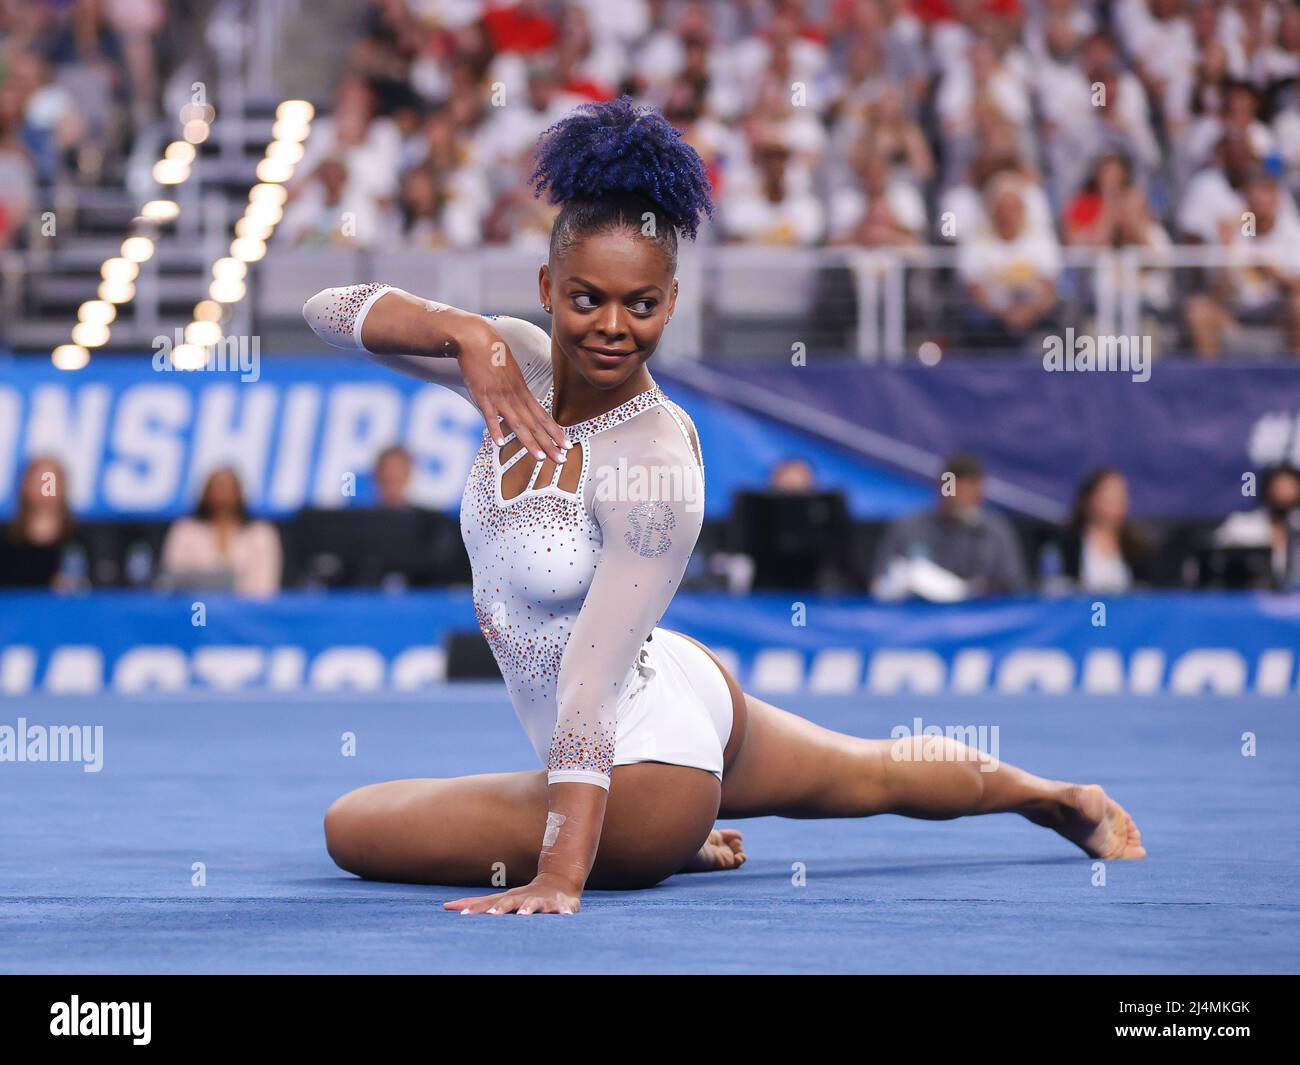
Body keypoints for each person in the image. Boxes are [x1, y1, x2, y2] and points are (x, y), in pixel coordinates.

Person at [305, 99, 1143, 918]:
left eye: (642, 304)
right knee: (868, 771)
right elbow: (328, 314)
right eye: (585, 297)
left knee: (352, 826)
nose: (612, 326)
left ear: (671, 300)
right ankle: (1057, 796)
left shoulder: (658, 463)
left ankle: (672, 832)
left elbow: (588, 692)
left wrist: (562, 873)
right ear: (546, 286)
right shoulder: (510, 362)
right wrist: (463, 331)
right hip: (676, 684)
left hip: (638, 777)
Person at [871, 452, 1031, 601]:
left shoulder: (995, 532)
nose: (960, 499)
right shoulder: (907, 528)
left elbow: (1015, 589)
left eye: (969, 492)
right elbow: (879, 584)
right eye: (955, 492)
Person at [158, 467, 282, 598]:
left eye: (228, 488)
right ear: (205, 493)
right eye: (217, 487)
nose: (222, 493)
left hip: (247, 612)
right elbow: (173, 577)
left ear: (240, 492)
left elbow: (266, 585)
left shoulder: (261, 533)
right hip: (194, 610)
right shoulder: (185, 530)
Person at [1049, 468, 1155, 593]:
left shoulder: (1138, 549)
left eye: (1121, 497)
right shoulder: (1064, 545)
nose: (1116, 504)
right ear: (1088, 500)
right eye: (1108, 496)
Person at [0, 455, 81, 589]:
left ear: (63, 486)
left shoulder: (80, 542)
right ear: (25, 485)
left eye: (50, 480)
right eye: (38, 480)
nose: (45, 488)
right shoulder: (5, 542)